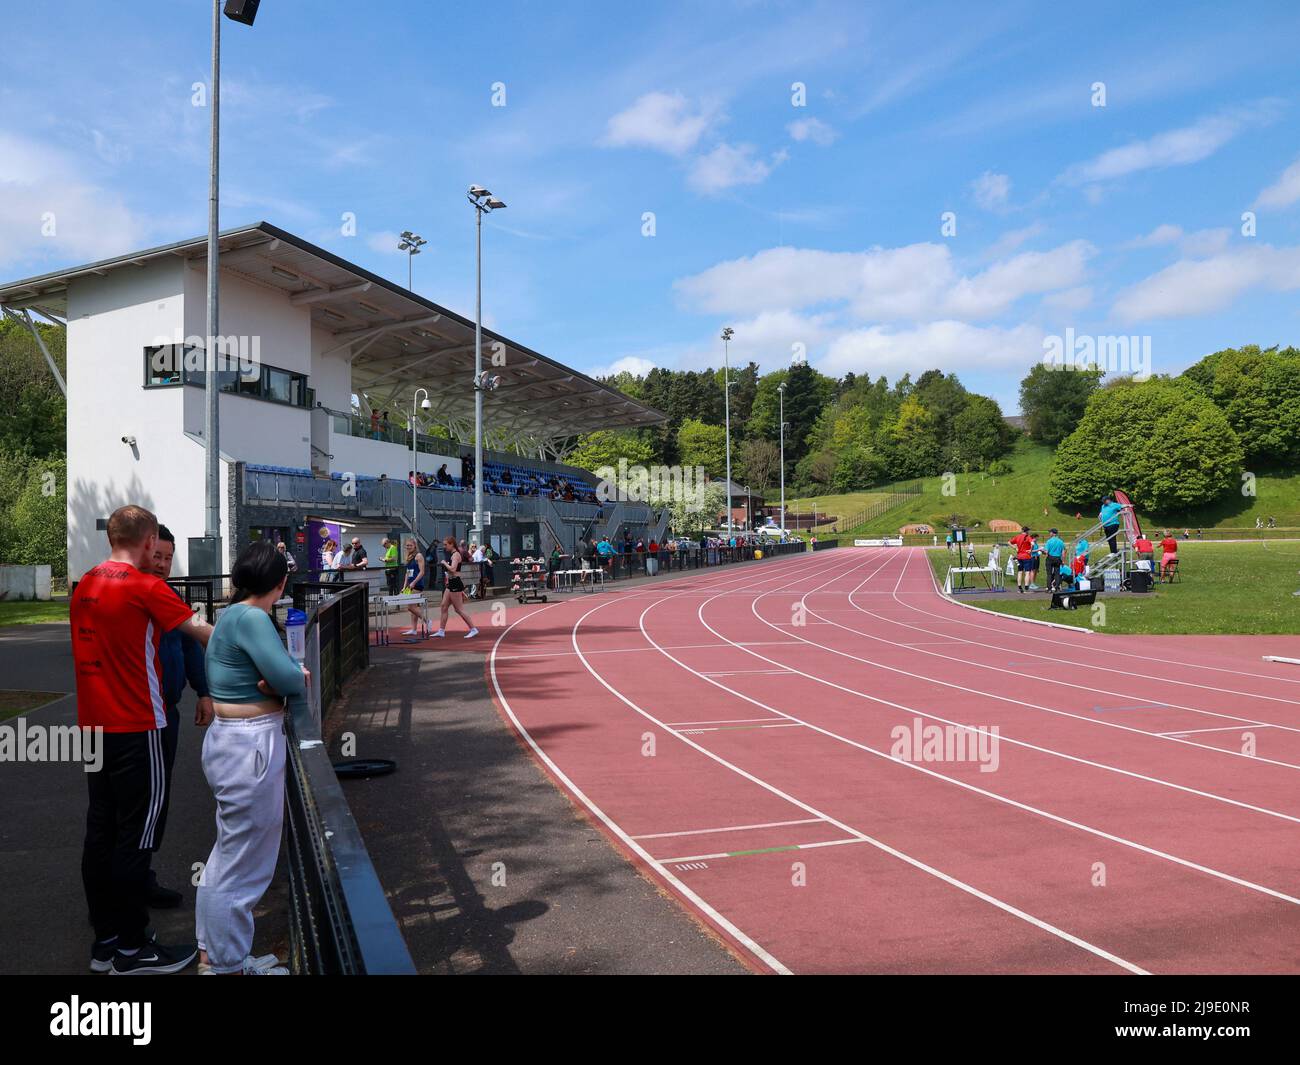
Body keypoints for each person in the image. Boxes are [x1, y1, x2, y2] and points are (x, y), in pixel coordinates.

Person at [73, 504, 214, 975]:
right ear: (150, 539)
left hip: (95, 729)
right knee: (135, 837)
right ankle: (133, 950)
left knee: (102, 832)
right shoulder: (146, 587)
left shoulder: (86, 586)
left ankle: (107, 941)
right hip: (139, 727)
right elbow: (203, 634)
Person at [195, 540, 308, 976]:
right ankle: (226, 965)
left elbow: (276, 675)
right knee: (244, 865)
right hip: (249, 745)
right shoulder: (254, 617)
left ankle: (218, 955)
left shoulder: (231, 615)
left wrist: (279, 677)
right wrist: (288, 676)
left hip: (232, 741)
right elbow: (286, 676)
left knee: (228, 856)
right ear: (280, 583)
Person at [145, 525, 215, 909]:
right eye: (157, 556)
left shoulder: (168, 594)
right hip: (138, 719)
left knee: (154, 802)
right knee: (134, 807)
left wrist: (202, 690)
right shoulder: (134, 594)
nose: (163, 565)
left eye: (169, 558)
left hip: (164, 713)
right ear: (142, 549)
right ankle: (125, 901)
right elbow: (205, 635)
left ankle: (141, 878)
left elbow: (189, 643)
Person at [434, 535, 477, 638]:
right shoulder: (452, 554)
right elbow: (451, 571)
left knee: (459, 609)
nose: (444, 547)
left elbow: (453, 569)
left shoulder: (456, 555)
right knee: (444, 606)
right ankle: (441, 630)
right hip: (451, 583)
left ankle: (473, 629)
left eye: (446, 545)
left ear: (451, 544)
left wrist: (444, 563)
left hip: (456, 583)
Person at [399, 538, 427, 635]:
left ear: (415, 545)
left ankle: (427, 621)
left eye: (410, 545)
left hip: (417, 584)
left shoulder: (419, 556)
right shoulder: (409, 556)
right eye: (407, 545)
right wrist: (404, 586)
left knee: (410, 607)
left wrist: (414, 582)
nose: (408, 547)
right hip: (410, 585)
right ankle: (414, 629)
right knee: (413, 608)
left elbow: (422, 572)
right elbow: (407, 573)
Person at [1009, 525, 1034, 593]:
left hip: (1019, 556)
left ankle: (1019, 587)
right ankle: (1026, 587)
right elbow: (1033, 543)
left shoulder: (1018, 536)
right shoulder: (1028, 537)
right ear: (1027, 531)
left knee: (1020, 571)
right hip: (1026, 556)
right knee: (1027, 572)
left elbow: (1009, 542)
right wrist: (1030, 550)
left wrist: (1015, 548)